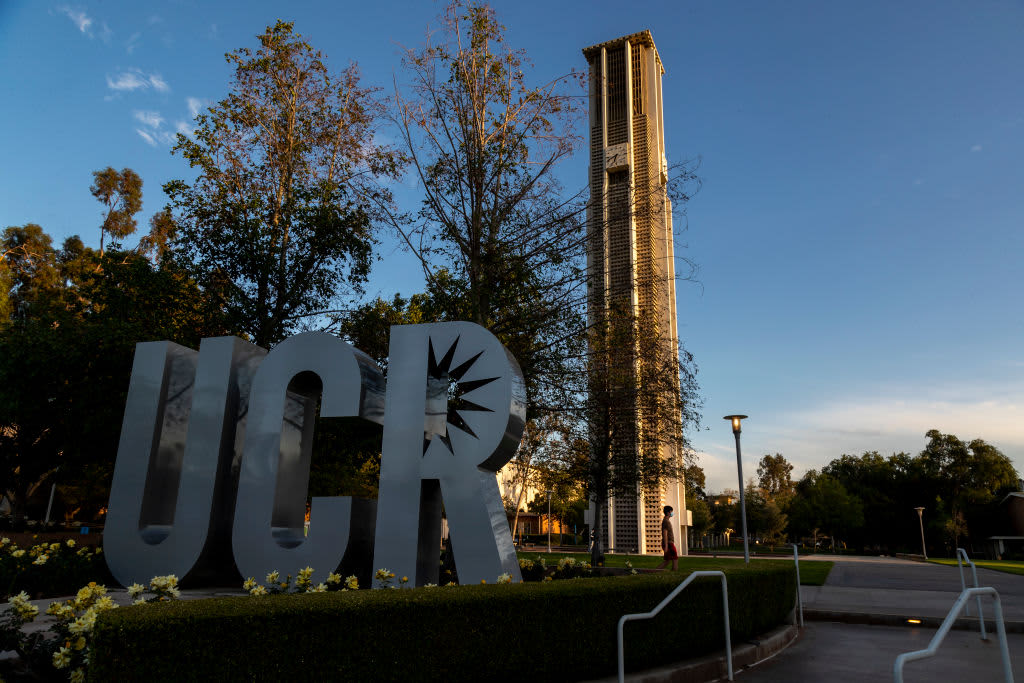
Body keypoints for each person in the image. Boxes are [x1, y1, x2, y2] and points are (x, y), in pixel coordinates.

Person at [655, 505, 678, 571]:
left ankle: (653, 572)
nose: (672, 513)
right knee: (675, 559)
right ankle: (675, 573)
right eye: (671, 511)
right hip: (669, 543)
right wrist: (666, 546)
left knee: (667, 560)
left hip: (669, 543)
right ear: (668, 512)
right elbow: (665, 533)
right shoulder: (666, 522)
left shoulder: (666, 521)